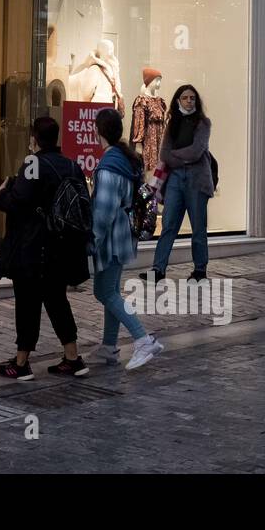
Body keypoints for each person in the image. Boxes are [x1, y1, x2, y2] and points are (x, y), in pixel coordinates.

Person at [0, 116, 89, 380]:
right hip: (62, 247)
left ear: (34, 139)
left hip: (35, 247)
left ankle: (21, 363)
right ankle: (72, 357)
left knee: (27, 303)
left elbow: (18, 201)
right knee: (57, 301)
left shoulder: (33, 163)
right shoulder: (71, 165)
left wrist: (2, 193)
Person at [91, 109, 164, 370]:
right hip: (124, 236)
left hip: (112, 238)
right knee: (110, 290)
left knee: (104, 292)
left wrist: (93, 240)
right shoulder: (126, 160)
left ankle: (143, 339)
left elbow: (103, 210)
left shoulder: (109, 166)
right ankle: (109, 346)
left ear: (98, 131)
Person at [147, 84, 213, 282]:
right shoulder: (172, 123)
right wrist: (181, 159)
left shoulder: (203, 123)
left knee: (198, 228)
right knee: (168, 224)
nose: (189, 101)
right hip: (175, 179)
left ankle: (200, 270)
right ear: (178, 101)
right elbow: (164, 154)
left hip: (197, 179)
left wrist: (175, 156)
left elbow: (196, 151)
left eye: (192, 98)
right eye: (185, 98)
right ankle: (158, 270)